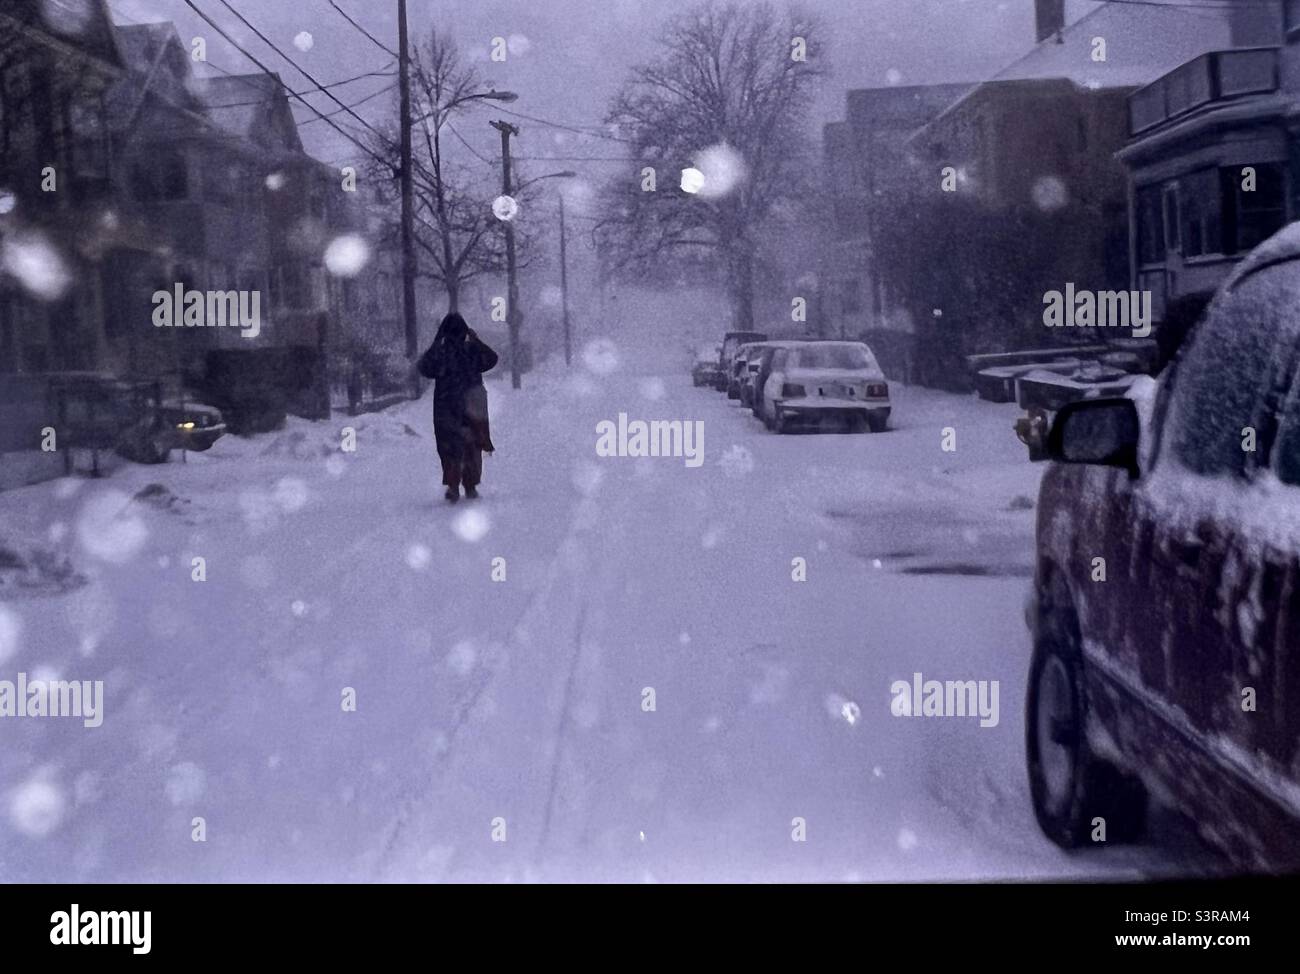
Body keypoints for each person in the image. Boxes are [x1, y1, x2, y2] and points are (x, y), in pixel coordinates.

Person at [417, 312, 499, 503]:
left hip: (447, 407)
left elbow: (423, 367)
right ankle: (470, 485)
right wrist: (476, 340)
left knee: (449, 447)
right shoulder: (471, 350)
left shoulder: (441, 354)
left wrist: (437, 341)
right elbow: (492, 358)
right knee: (471, 446)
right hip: (472, 406)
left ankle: (453, 486)